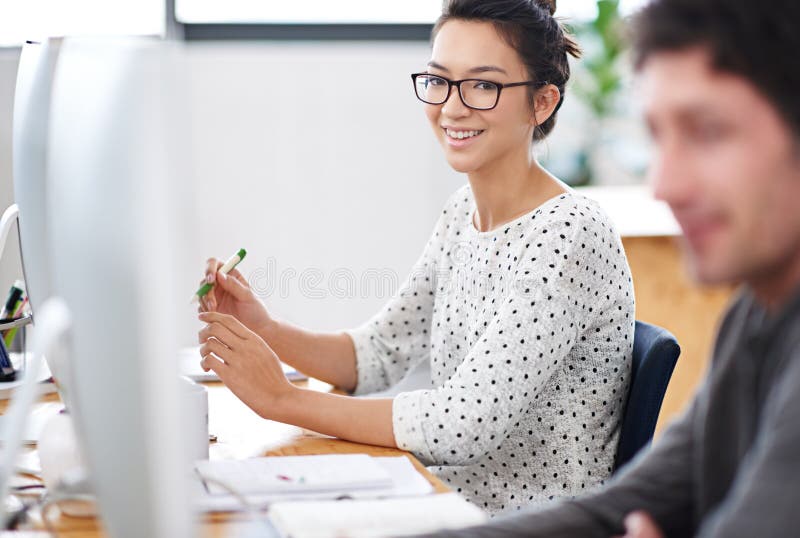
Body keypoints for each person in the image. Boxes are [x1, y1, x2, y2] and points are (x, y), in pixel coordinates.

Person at [196, 0, 635, 515]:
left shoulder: (570, 234)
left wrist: (283, 400)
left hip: (523, 524)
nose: (452, 107)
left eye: (483, 85)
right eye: (439, 80)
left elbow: (461, 425)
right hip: (445, 501)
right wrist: (266, 329)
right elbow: (380, 353)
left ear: (542, 103)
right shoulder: (463, 212)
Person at [413, 0, 800, 535]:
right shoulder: (756, 317)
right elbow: (621, 506)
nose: (666, 183)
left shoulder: (566, 228)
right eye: (658, 136)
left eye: (708, 132)